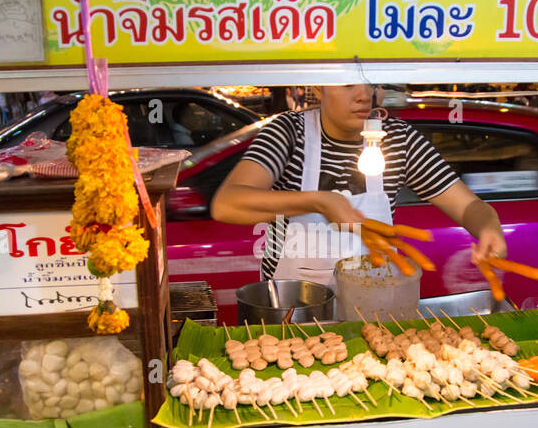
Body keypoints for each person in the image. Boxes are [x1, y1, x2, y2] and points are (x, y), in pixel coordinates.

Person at [211, 84, 507, 286]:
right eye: (348, 84)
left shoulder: (398, 140)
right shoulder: (288, 134)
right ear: (318, 87)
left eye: (369, 83)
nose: (364, 96)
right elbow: (227, 204)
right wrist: (318, 202)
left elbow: (468, 205)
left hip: (372, 312)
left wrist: (488, 228)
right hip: (292, 317)